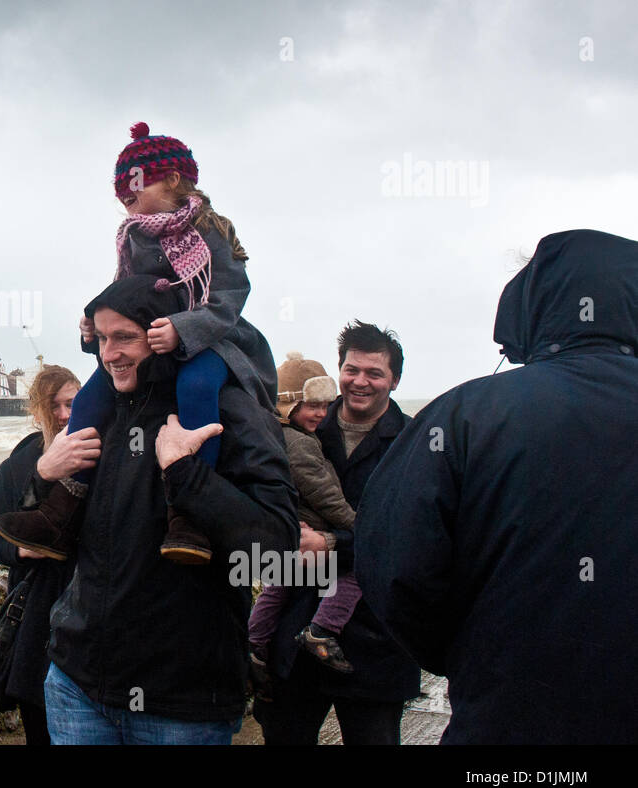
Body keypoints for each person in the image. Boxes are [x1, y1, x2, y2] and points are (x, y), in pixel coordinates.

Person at [356, 229, 638, 744]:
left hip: (507, 726)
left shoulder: (463, 416)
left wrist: (464, 651)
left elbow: (395, 561)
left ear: (535, 298)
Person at [0, 121, 277, 564]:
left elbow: (229, 299)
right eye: (120, 191)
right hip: (151, 340)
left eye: (135, 186)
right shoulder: (133, 235)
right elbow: (124, 293)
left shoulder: (211, 229)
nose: (125, 197)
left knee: (196, 389)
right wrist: (94, 323)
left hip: (213, 341)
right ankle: (62, 505)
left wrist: (184, 328)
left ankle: (187, 515)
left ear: (174, 180)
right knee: (87, 399)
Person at [35, 275, 298, 744]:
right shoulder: (101, 414)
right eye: (102, 339)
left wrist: (185, 473)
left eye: (125, 338)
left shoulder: (228, 407)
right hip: (77, 684)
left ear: (165, 333)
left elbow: (276, 546)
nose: (109, 353)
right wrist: (44, 474)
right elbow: (34, 537)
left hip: (183, 701)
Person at [253, 322, 420, 745]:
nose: (359, 381)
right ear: (339, 370)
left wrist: (328, 545)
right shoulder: (299, 429)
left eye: (374, 373)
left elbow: (411, 540)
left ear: (395, 380)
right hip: (291, 644)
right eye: (351, 369)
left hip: (375, 645)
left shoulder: (415, 442)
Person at [0, 364, 87, 745]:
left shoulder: (102, 453)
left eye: (72, 403)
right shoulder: (22, 460)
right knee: (40, 727)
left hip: (88, 613)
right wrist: (20, 548)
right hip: (37, 616)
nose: (63, 415)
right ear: (37, 412)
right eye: (52, 406)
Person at [248, 352, 360, 687]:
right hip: (314, 529)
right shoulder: (299, 445)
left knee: (276, 587)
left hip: (290, 531)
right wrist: (358, 526)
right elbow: (325, 494)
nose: (321, 414)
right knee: (355, 573)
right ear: (288, 404)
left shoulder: (276, 435)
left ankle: (254, 643)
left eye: (326, 406)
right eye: (313, 406)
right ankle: (322, 629)